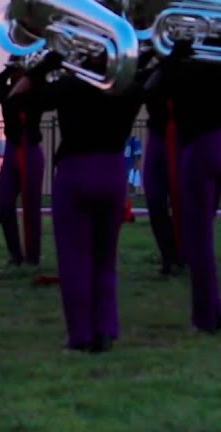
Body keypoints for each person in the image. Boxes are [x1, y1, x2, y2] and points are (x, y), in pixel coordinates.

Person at [12, 51, 142, 352]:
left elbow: (17, 98)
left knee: (74, 259)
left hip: (75, 170)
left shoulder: (71, 85)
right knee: (105, 258)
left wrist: (43, 67)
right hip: (112, 171)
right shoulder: (131, 89)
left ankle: (81, 335)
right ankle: (106, 328)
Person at [151, 39, 221, 334]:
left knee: (198, 238)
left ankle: (207, 315)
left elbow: (154, 86)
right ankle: (214, 306)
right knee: (202, 230)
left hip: (198, 148)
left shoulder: (190, 70)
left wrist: (173, 55)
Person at [0, 59, 45, 267]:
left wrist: (33, 71)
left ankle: (32, 256)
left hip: (30, 150)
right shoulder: (7, 91)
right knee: (6, 203)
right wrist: (7, 68)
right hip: (12, 150)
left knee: (31, 206)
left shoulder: (36, 91)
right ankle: (15, 254)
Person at [139, 51, 183, 276]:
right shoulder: (154, 69)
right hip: (157, 135)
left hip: (181, 136)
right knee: (155, 200)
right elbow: (141, 85)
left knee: (182, 201)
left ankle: (182, 256)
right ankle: (168, 256)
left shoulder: (185, 64)